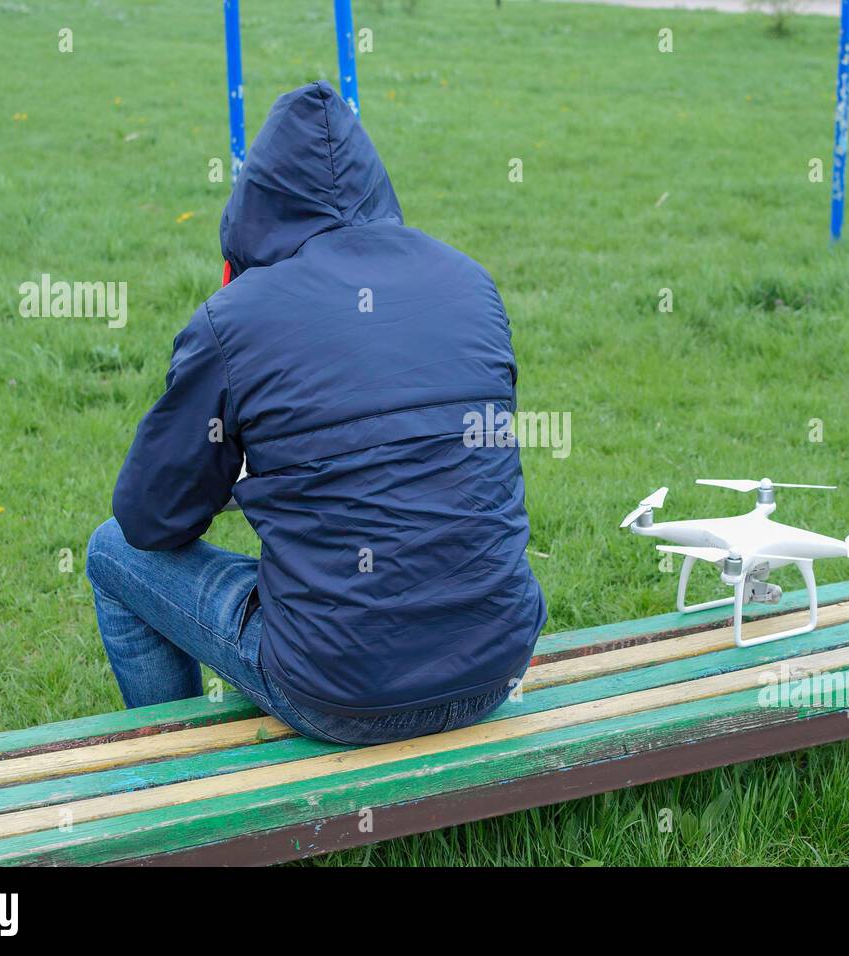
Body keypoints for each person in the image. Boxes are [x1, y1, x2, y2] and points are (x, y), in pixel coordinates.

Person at [86, 81, 546, 747]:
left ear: (256, 200)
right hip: (496, 667)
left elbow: (150, 521)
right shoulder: (470, 281)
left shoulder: (235, 318)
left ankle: (170, 765)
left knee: (109, 551)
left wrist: (243, 469)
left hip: (340, 694)